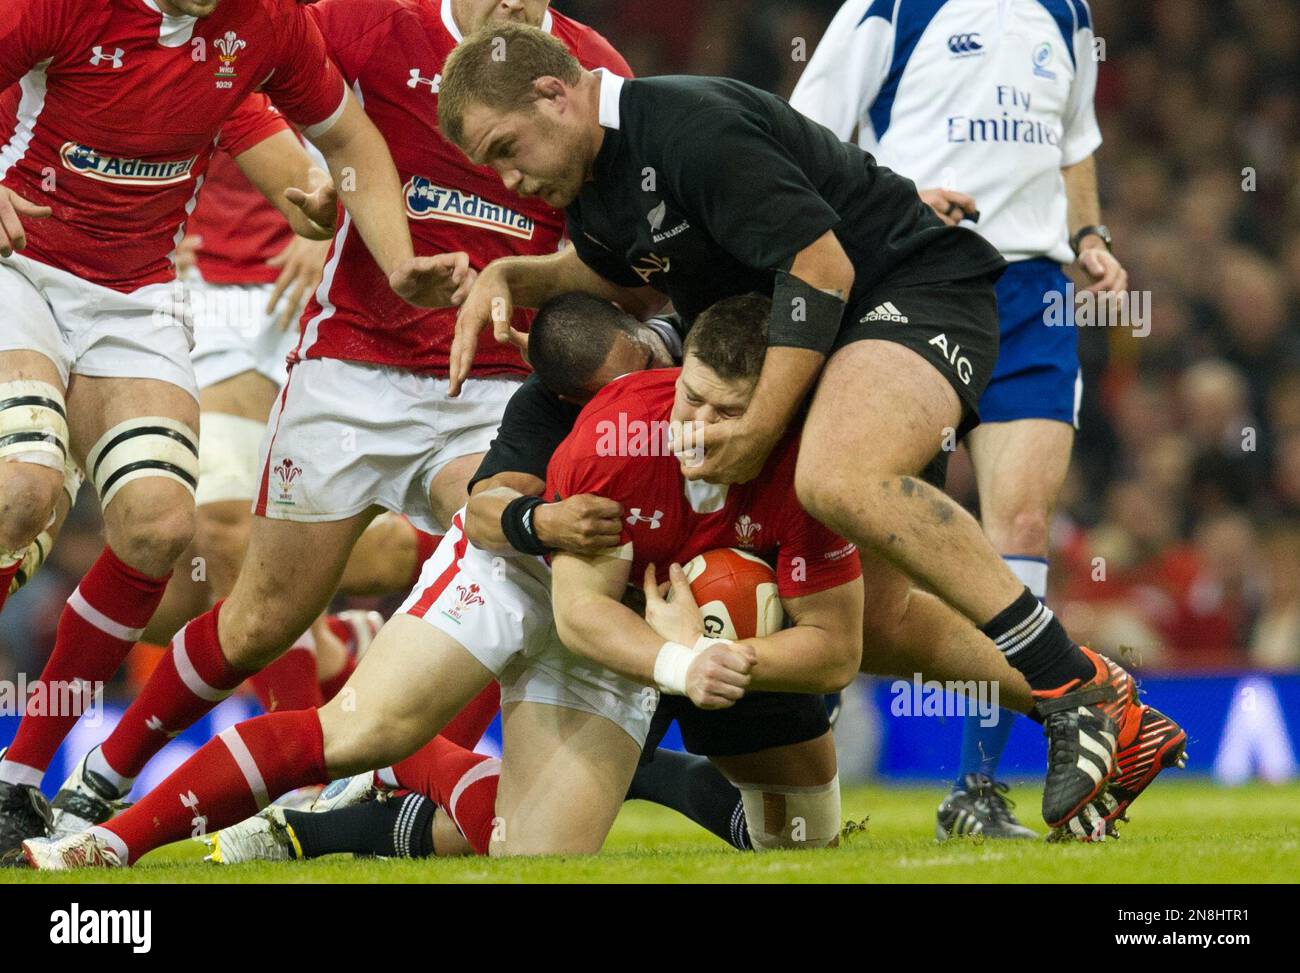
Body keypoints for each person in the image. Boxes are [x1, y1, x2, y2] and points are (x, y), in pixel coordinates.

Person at [438, 23, 1184, 836]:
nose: (509, 178)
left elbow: (821, 264)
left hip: (914, 287)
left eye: (506, 148)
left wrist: (757, 428)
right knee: (882, 627)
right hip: (834, 333)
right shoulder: (599, 190)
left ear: (555, 92)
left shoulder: (686, 125)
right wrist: (514, 271)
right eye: (492, 167)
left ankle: (1072, 689)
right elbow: (615, 273)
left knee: (837, 477)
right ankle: (1107, 696)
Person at [21, 295, 866, 868]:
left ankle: (386, 787)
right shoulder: (622, 427)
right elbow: (574, 608)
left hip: (626, 619)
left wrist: (730, 659)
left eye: (725, 414)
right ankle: (110, 843)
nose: (694, 428)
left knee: (537, 856)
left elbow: (837, 650)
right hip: (530, 579)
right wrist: (682, 666)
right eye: (692, 401)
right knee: (357, 727)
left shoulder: (809, 475)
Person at [0, 0, 465, 857]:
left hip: (150, 295)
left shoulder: (267, 24)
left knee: (163, 530)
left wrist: (370, 246)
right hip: (38, 260)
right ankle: (316, 702)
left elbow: (340, 143)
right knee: (35, 495)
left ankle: (19, 782)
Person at [789, 0, 1134, 839]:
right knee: (876, 536)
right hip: (917, 280)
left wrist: (1087, 231)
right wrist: (898, 199)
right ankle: (797, 759)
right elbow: (803, 134)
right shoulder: (889, 7)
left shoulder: (1067, 12)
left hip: (1034, 293)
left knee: (1016, 523)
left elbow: (1075, 139)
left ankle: (981, 788)